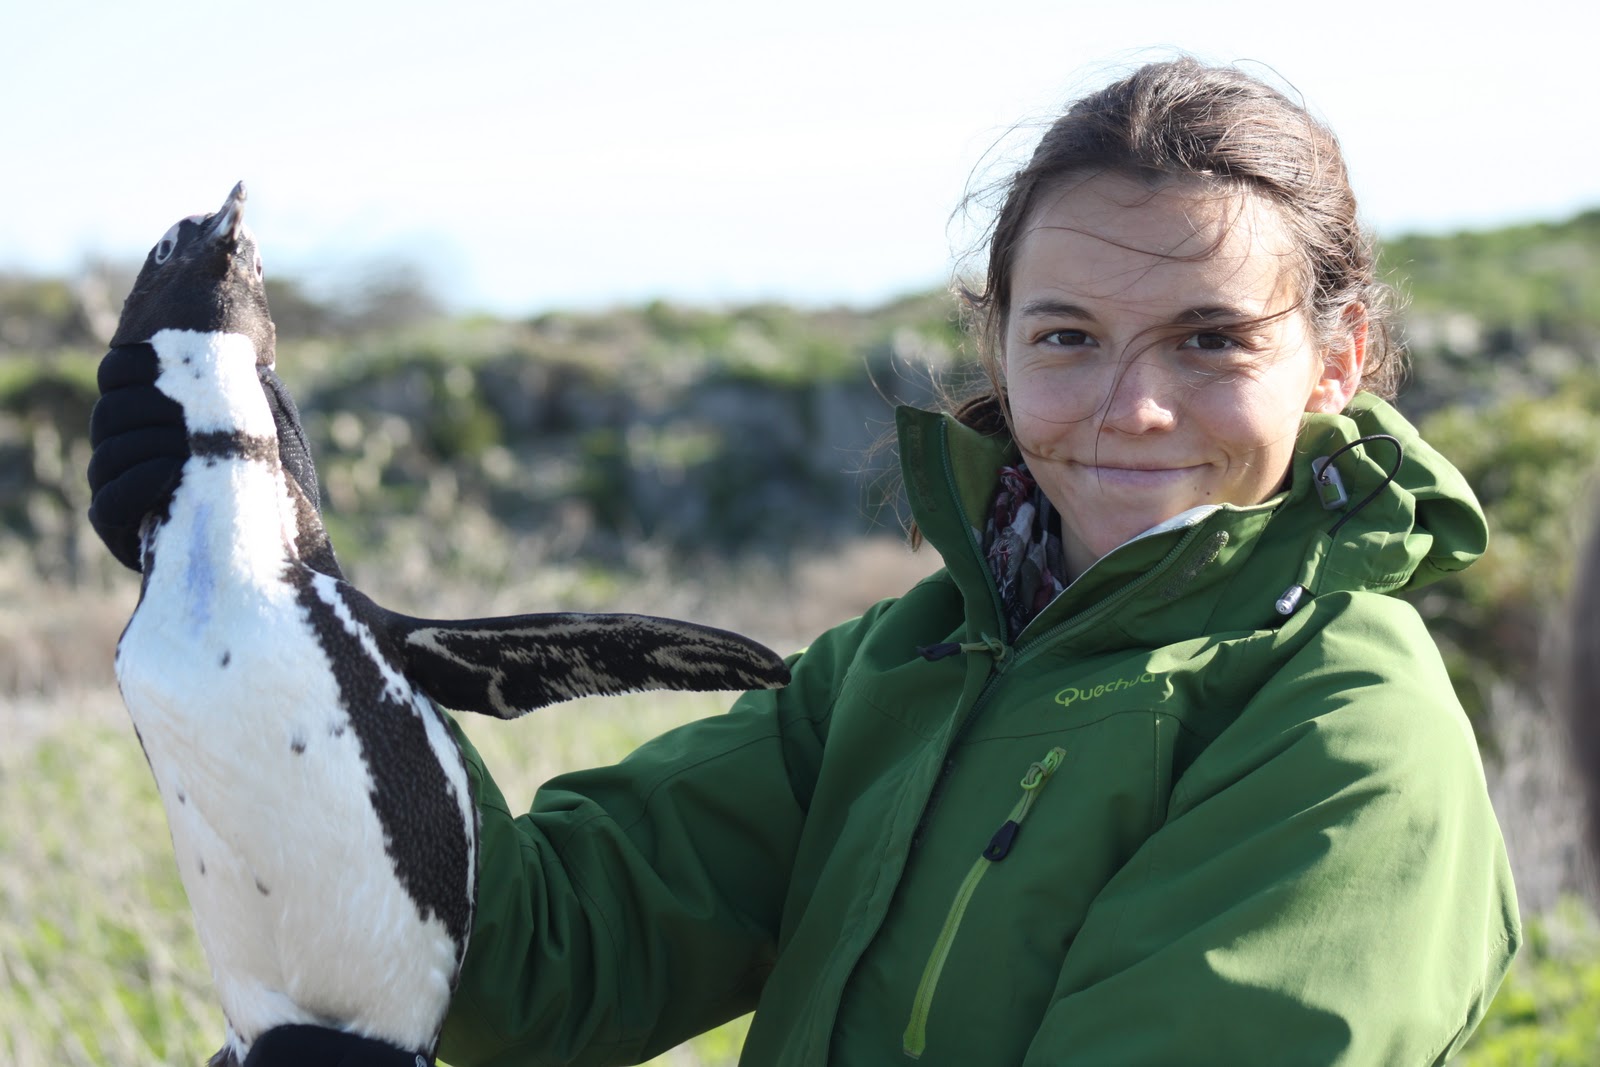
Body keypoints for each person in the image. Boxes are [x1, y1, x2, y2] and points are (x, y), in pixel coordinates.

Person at [88, 58, 1518, 1066]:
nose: (1131, 409)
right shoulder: (910, 667)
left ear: (1339, 361)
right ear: (1001, 347)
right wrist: (273, 583)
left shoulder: (1345, 734)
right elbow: (537, 963)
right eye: (1069, 336)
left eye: (1212, 340)